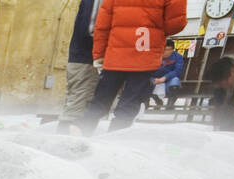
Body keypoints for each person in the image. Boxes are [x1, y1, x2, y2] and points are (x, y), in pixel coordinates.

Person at [79, 0, 187, 135]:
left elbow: (102, 26)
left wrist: (99, 55)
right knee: (129, 104)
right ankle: (114, 142)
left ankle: (80, 134)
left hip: (115, 56)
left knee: (100, 101)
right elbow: (175, 25)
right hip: (144, 56)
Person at [58, 0, 103, 131]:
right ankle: (65, 143)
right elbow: (91, 29)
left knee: (80, 103)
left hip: (85, 57)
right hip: (86, 58)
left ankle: (67, 140)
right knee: (79, 106)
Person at [150, 39, 184, 109]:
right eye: (163, 49)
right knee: (145, 82)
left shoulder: (178, 57)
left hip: (169, 80)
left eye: (168, 49)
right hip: (155, 79)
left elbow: (178, 70)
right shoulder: (154, 55)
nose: (165, 52)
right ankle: (158, 101)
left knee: (176, 80)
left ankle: (170, 104)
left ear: (172, 50)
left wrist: (165, 78)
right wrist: (156, 79)